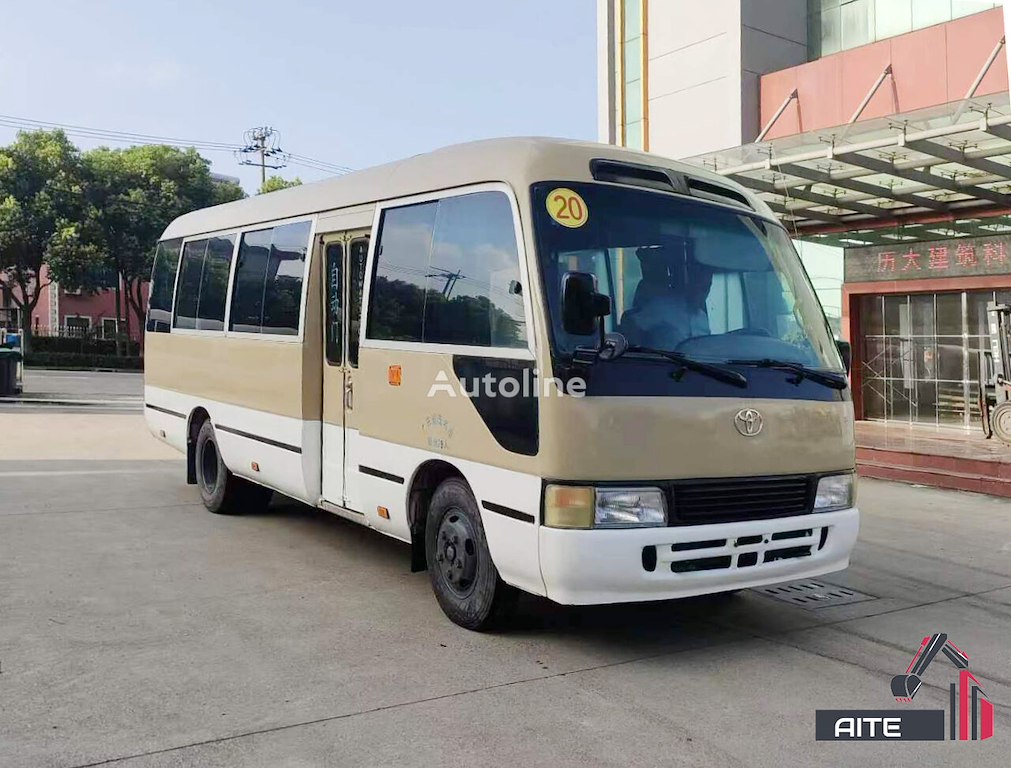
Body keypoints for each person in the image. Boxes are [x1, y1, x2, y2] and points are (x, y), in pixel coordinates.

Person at [620, 245, 712, 349]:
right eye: (698, 286)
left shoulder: (703, 318)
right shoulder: (662, 306)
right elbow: (630, 322)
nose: (701, 293)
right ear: (689, 283)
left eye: (706, 288)